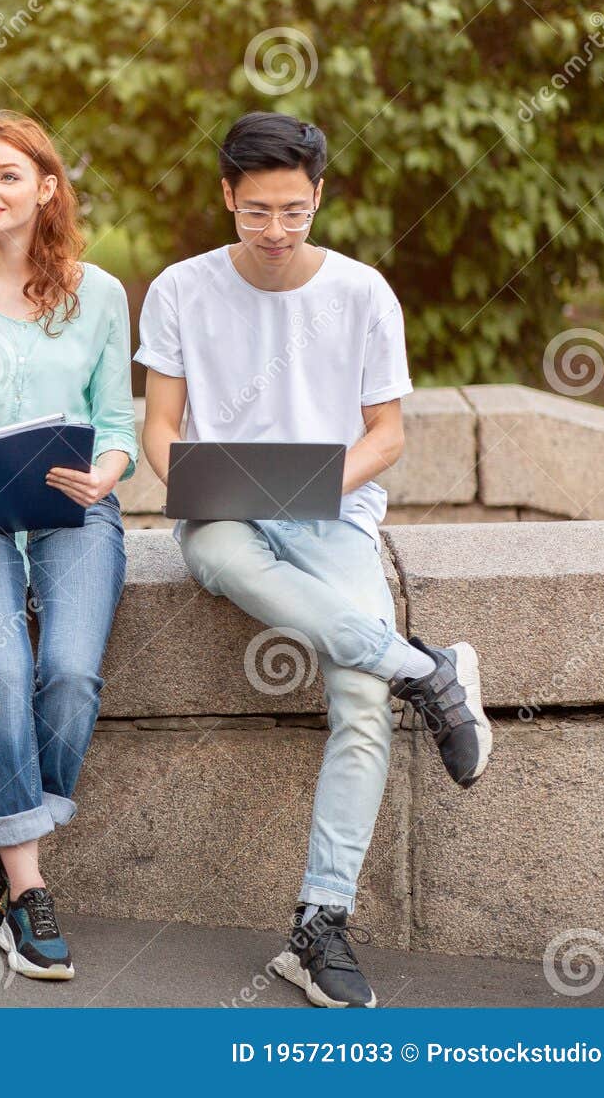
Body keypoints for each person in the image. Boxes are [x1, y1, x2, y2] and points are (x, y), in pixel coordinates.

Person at [136, 111, 493, 1007]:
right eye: (256, 211)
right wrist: (196, 482)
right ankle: (427, 667)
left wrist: (315, 486)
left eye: (294, 211)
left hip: (332, 514)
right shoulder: (180, 289)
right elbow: (160, 429)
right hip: (224, 515)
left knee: (362, 697)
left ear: (320, 195)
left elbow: (388, 435)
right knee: (222, 559)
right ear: (226, 194)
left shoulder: (363, 292)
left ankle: (319, 923)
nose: (275, 230)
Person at [0, 113, 135, 980]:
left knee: (70, 671)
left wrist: (104, 476)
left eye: (8, 175)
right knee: (3, 669)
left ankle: (1, 866)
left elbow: (116, 423)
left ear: (46, 188)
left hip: (72, 505)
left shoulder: (99, 293)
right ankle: (32, 887)